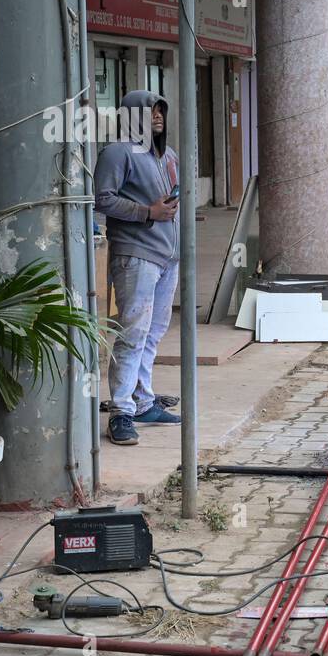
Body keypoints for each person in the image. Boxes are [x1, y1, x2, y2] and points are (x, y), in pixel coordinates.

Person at [94, 90, 182, 446]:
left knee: (153, 332)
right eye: (149, 111)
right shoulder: (117, 152)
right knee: (132, 333)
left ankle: (143, 400)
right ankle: (120, 412)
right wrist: (147, 212)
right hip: (135, 255)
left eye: (161, 110)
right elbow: (102, 199)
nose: (157, 116)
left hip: (168, 257)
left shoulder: (167, 154)